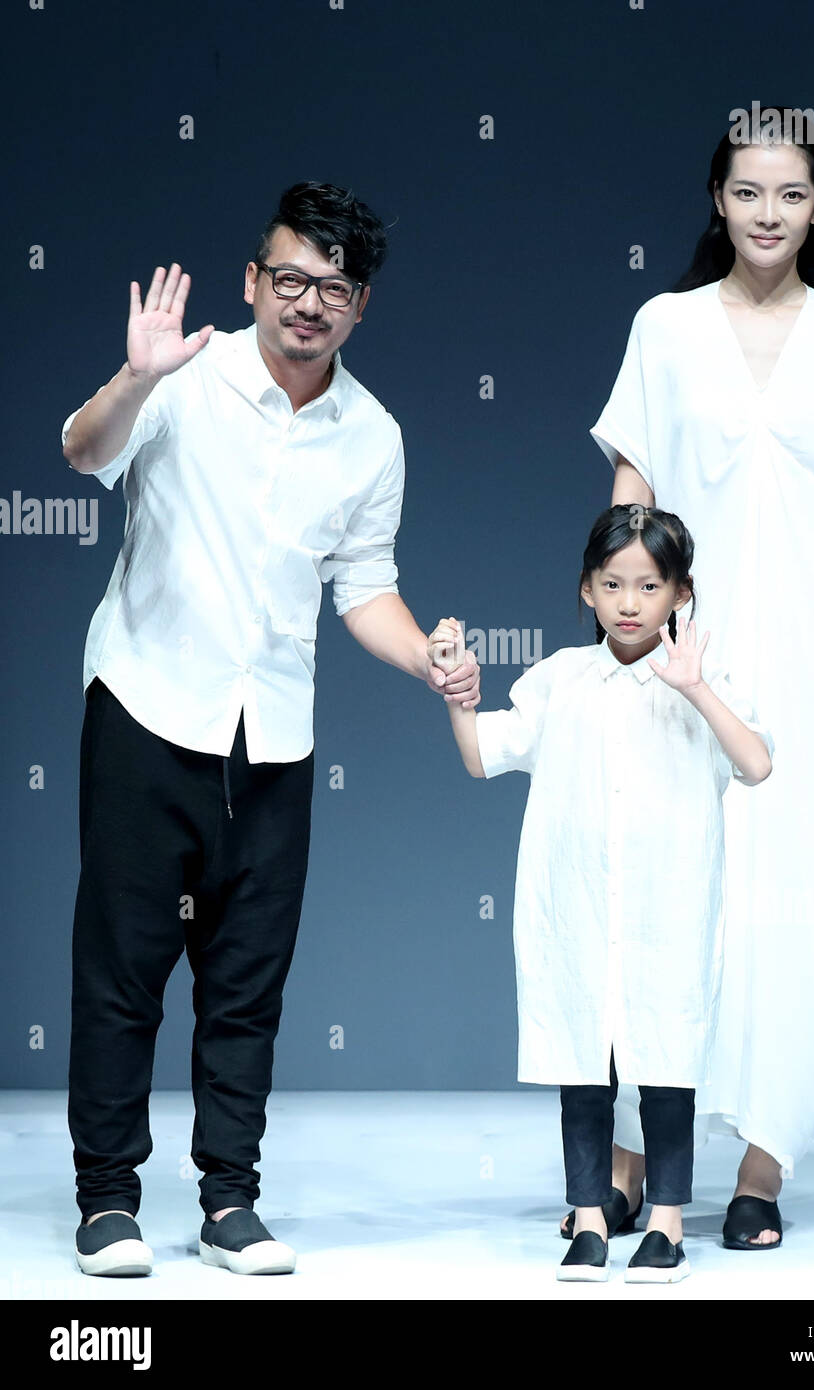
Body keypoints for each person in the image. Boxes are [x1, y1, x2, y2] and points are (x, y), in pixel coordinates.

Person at [60, 180, 480, 1277]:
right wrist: (133, 376)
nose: (308, 302)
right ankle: (107, 1202)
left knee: (246, 985)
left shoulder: (373, 435)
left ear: (360, 304)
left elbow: (366, 590)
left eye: (332, 287)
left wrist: (425, 656)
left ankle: (229, 1202)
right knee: (121, 974)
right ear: (253, 280)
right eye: (289, 277)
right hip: (148, 708)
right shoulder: (181, 378)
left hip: (272, 741)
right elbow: (80, 451)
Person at [580, 109, 814, 1250]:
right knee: (670, 896)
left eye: (790, 194)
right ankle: (634, 1156)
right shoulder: (665, 326)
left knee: (799, 908)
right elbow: (635, 480)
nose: (768, 213)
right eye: (747, 192)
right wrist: (627, 629)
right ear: (716, 200)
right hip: (694, 656)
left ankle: (763, 1169)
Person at [428, 506, 773, 1281]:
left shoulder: (703, 681)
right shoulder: (558, 679)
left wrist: (695, 690)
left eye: (648, 585)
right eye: (611, 583)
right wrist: (457, 696)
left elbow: (754, 764)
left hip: (666, 913)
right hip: (575, 912)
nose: (628, 602)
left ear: (679, 593)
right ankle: (588, 1220)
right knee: (581, 1064)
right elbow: (484, 756)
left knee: (666, 1064)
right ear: (586, 589)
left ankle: (668, 1225)